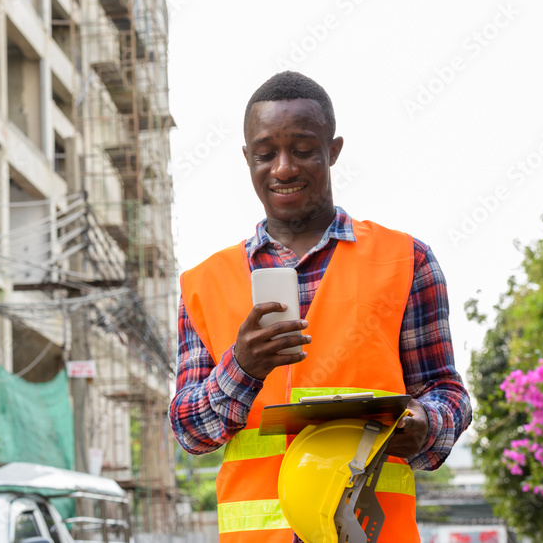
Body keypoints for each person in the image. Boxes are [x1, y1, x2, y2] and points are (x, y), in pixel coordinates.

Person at [168, 71, 472, 543]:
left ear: (333, 150)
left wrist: (425, 423)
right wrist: (242, 368)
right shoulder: (202, 284)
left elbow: (447, 394)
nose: (284, 168)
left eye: (304, 149)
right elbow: (190, 431)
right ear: (247, 159)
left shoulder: (406, 261)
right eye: (266, 153)